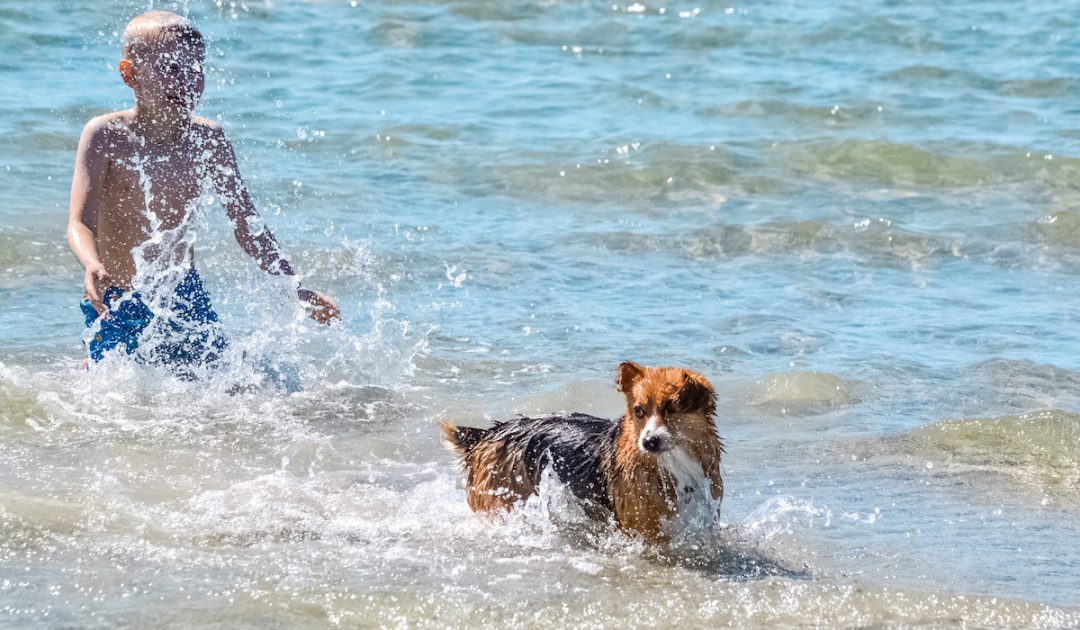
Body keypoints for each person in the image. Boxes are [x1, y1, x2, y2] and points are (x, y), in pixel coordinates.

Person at [67, 11, 339, 375]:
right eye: (172, 69)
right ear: (129, 74)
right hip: (117, 296)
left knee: (226, 386)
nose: (188, 79)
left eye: (196, 69)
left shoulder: (208, 139)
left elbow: (247, 225)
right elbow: (78, 224)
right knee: (111, 393)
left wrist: (296, 287)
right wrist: (90, 263)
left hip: (183, 295)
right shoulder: (105, 136)